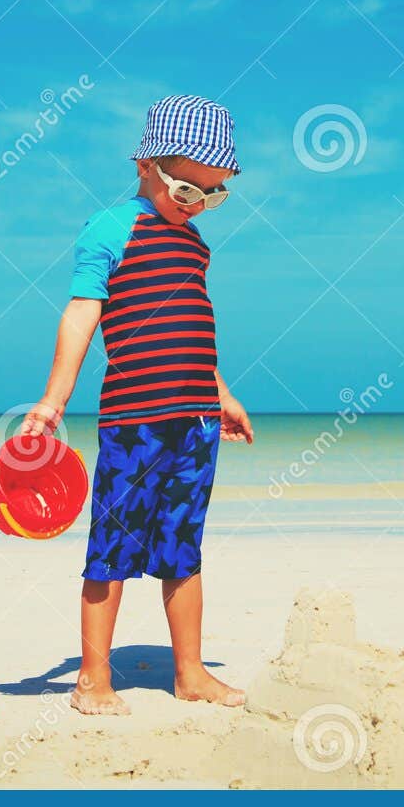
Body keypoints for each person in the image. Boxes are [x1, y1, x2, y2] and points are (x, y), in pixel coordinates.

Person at [21, 94, 255, 715]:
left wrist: (222, 393)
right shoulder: (111, 228)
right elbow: (81, 313)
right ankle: (92, 679)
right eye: (187, 190)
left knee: (185, 546)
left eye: (213, 195)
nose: (197, 205)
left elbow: (191, 330)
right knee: (114, 546)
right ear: (148, 165)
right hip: (136, 421)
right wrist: (52, 401)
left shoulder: (195, 245)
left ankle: (191, 672)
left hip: (196, 420)